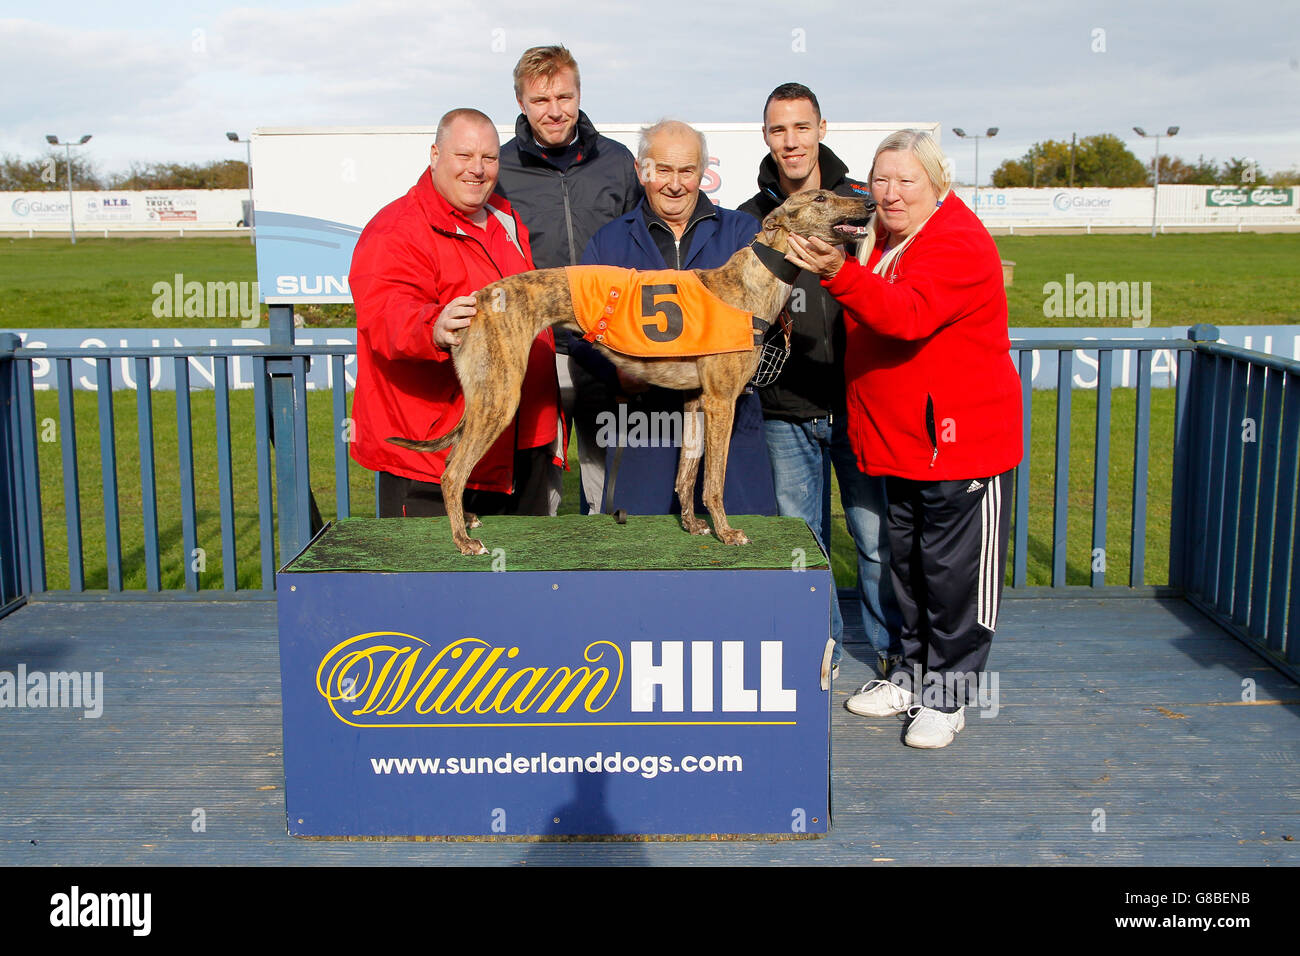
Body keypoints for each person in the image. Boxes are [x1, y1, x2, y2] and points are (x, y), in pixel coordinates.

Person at [784, 129, 1022, 749]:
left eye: (905, 180)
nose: (889, 193)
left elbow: (906, 315)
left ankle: (950, 695)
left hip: (959, 443)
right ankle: (914, 676)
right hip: (907, 442)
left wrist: (837, 272)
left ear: (937, 182)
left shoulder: (958, 242)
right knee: (909, 568)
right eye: (880, 180)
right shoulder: (889, 236)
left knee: (952, 576)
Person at [738, 83, 900, 678]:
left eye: (801, 128)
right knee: (803, 548)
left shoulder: (859, 205)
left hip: (858, 404)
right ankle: (824, 648)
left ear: (822, 129)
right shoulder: (752, 218)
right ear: (766, 136)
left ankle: (891, 651)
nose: (791, 141)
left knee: (875, 542)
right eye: (779, 130)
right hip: (783, 408)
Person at [349, 108, 563, 520]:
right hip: (434, 459)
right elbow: (384, 315)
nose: (478, 170)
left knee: (520, 580)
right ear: (434, 155)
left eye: (489, 158)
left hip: (522, 447)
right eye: (464, 156)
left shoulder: (506, 217)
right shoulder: (397, 228)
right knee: (433, 582)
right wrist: (433, 326)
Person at [576, 119, 776, 516]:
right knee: (644, 555)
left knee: (741, 556)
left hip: (730, 428)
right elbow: (580, 334)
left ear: (703, 173)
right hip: (644, 428)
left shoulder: (743, 233)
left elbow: (769, 316)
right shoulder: (609, 242)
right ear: (641, 170)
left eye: (687, 171)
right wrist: (616, 372)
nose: (675, 184)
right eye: (662, 170)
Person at [495, 44, 641, 514]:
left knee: (612, 493)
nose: (555, 111)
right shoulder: (499, 171)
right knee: (542, 494)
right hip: (538, 351)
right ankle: (542, 584)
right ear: (521, 103)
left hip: (608, 347)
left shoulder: (617, 161)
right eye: (540, 101)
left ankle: (612, 583)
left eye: (564, 97)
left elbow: (641, 247)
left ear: (579, 94)